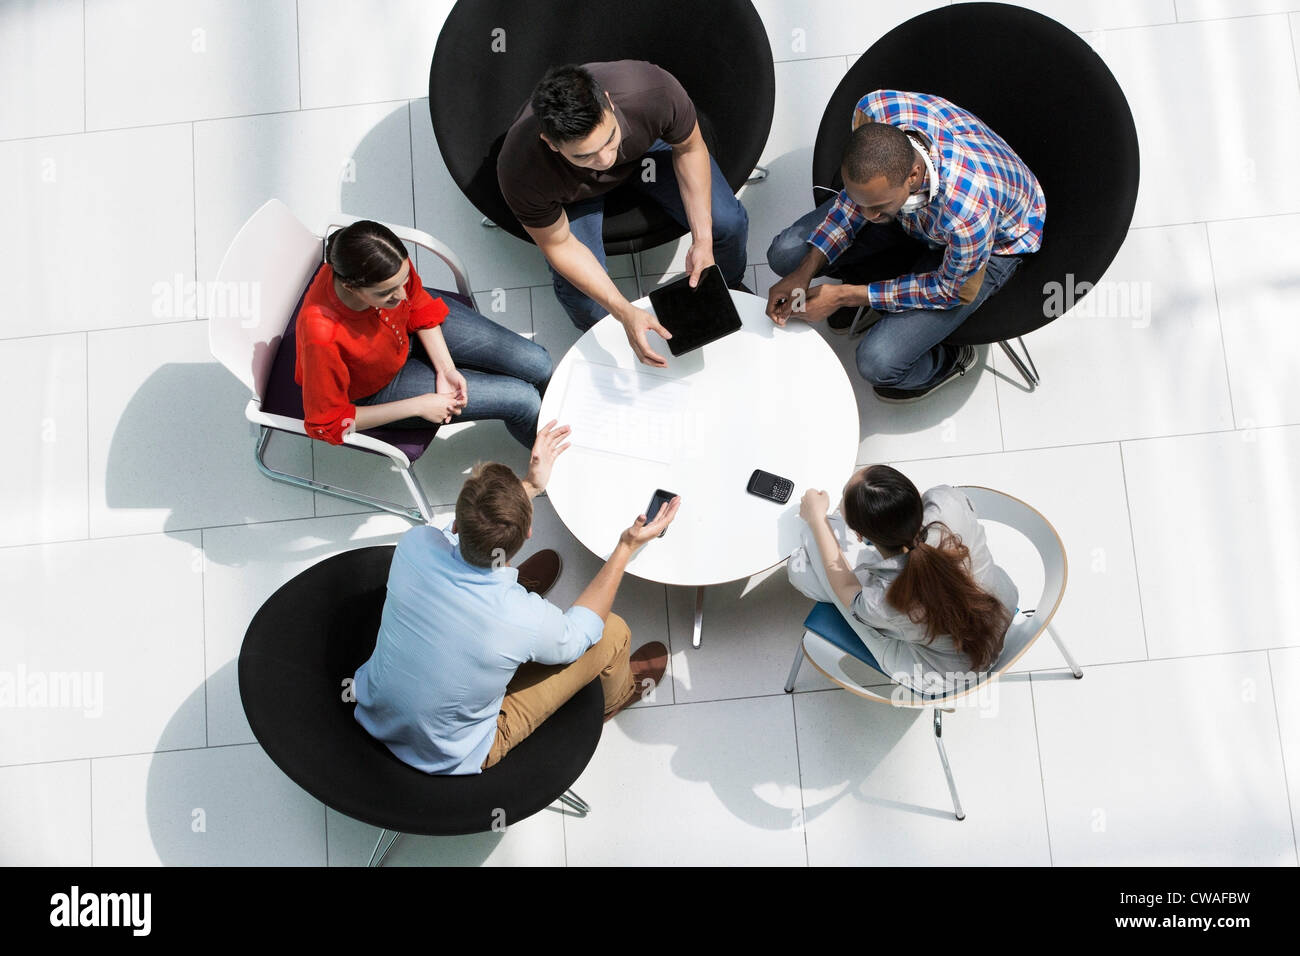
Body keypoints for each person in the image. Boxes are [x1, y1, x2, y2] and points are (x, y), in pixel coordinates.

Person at [352, 420, 680, 774]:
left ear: (458, 524)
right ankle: (616, 699)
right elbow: (579, 636)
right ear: (527, 534)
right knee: (612, 633)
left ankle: (509, 591)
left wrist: (530, 485)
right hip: (453, 752)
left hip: (375, 709)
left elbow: (460, 530)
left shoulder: (415, 545)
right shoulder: (523, 619)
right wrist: (626, 546)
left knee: (503, 623)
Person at [766, 89, 1045, 402]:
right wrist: (805, 272)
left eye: (878, 206)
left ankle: (951, 360)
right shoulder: (872, 112)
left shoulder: (968, 215)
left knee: (877, 362)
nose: (868, 217)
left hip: (987, 248)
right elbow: (853, 205)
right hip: (915, 218)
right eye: (865, 203)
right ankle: (877, 288)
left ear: (913, 175)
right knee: (785, 255)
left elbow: (951, 289)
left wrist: (845, 296)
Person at [497, 61, 750, 368]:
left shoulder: (654, 91)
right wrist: (621, 309)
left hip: (647, 154)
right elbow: (559, 245)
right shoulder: (520, 170)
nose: (605, 159)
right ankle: (619, 338)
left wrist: (703, 239)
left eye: (609, 139)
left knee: (728, 223)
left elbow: (689, 149)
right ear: (551, 143)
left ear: (610, 101)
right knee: (582, 298)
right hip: (574, 193)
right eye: (585, 154)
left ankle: (728, 286)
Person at [294, 219, 553, 449]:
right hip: (379, 386)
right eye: (387, 293)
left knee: (539, 363)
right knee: (523, 401)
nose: (402, 295)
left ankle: (563, 415)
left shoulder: (387, 265)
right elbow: (325, 423)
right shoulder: (322, 336)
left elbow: (417, 302)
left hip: (413, 331)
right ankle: (553, 457)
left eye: (403, 281)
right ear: (351, 287)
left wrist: (446, 369)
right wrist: (419, 405)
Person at [788, 464, 1017, 695]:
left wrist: (817, 520)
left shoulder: (879, 601)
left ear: (860, 536)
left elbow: (844, 586)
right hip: (1000, 616)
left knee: (808, 575)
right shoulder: (945, 502)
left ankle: (814, 539)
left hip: (944, 672)